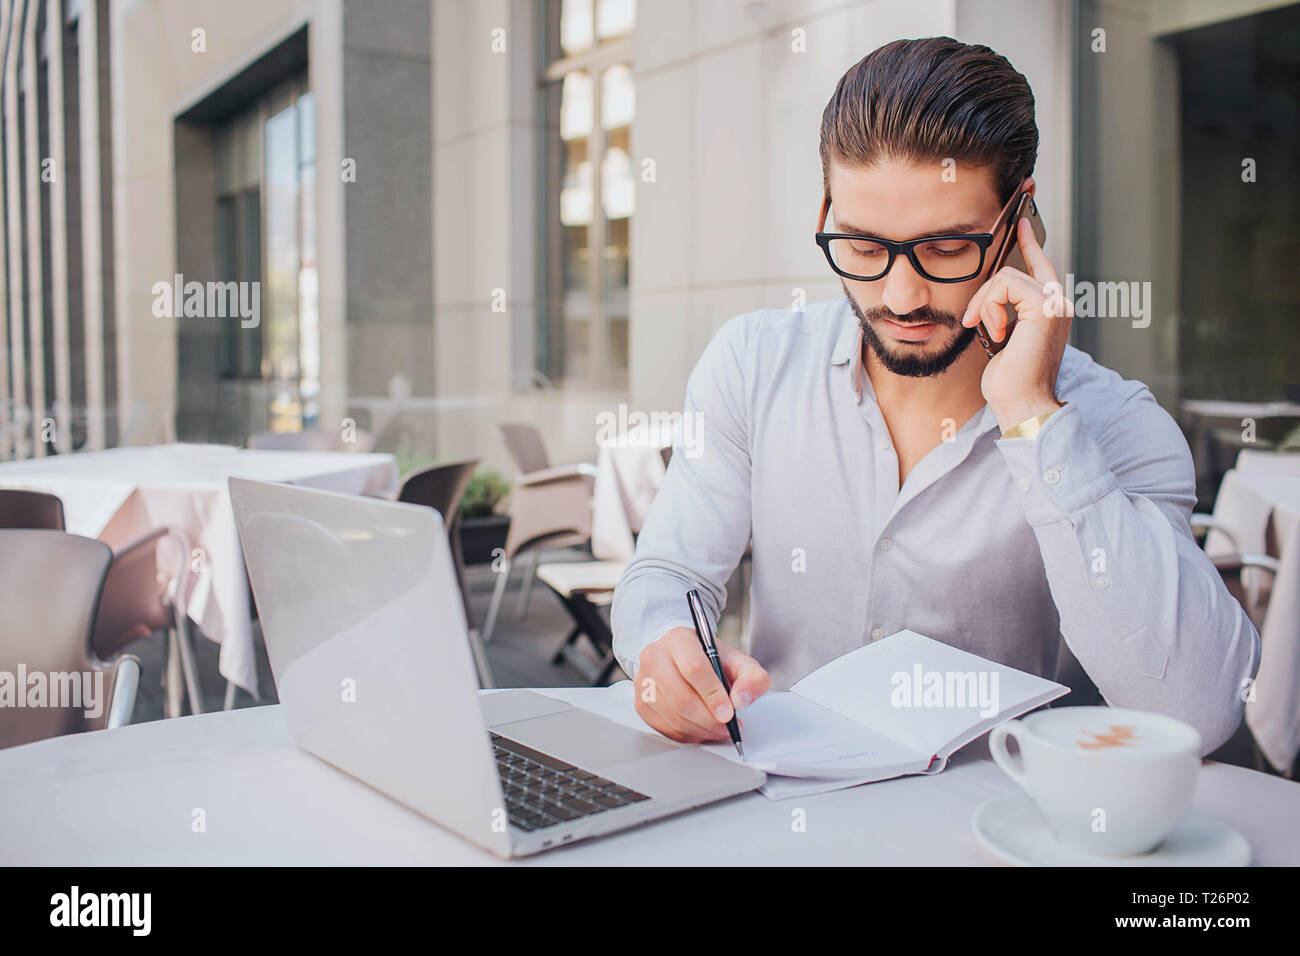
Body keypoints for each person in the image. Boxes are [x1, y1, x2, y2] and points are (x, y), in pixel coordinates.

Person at [610, 36, 1260, 756]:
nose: (900, 296)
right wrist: (661, 647)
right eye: (862, 245)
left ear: (1019, 222)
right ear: (827, 207)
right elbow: (668, 575)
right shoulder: (753, 364)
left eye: (947, 248)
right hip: (785, 816)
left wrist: (1033, 417)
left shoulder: (1114, 424)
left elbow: (1200, 710)